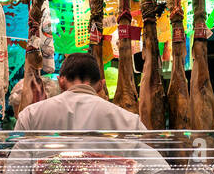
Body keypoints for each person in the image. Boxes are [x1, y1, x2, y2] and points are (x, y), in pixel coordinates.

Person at [14, 53, 144, 132]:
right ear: (101, 85)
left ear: (60, 82)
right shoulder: (130, 121)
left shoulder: (30, 114)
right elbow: (157, 173)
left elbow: (17, 169)